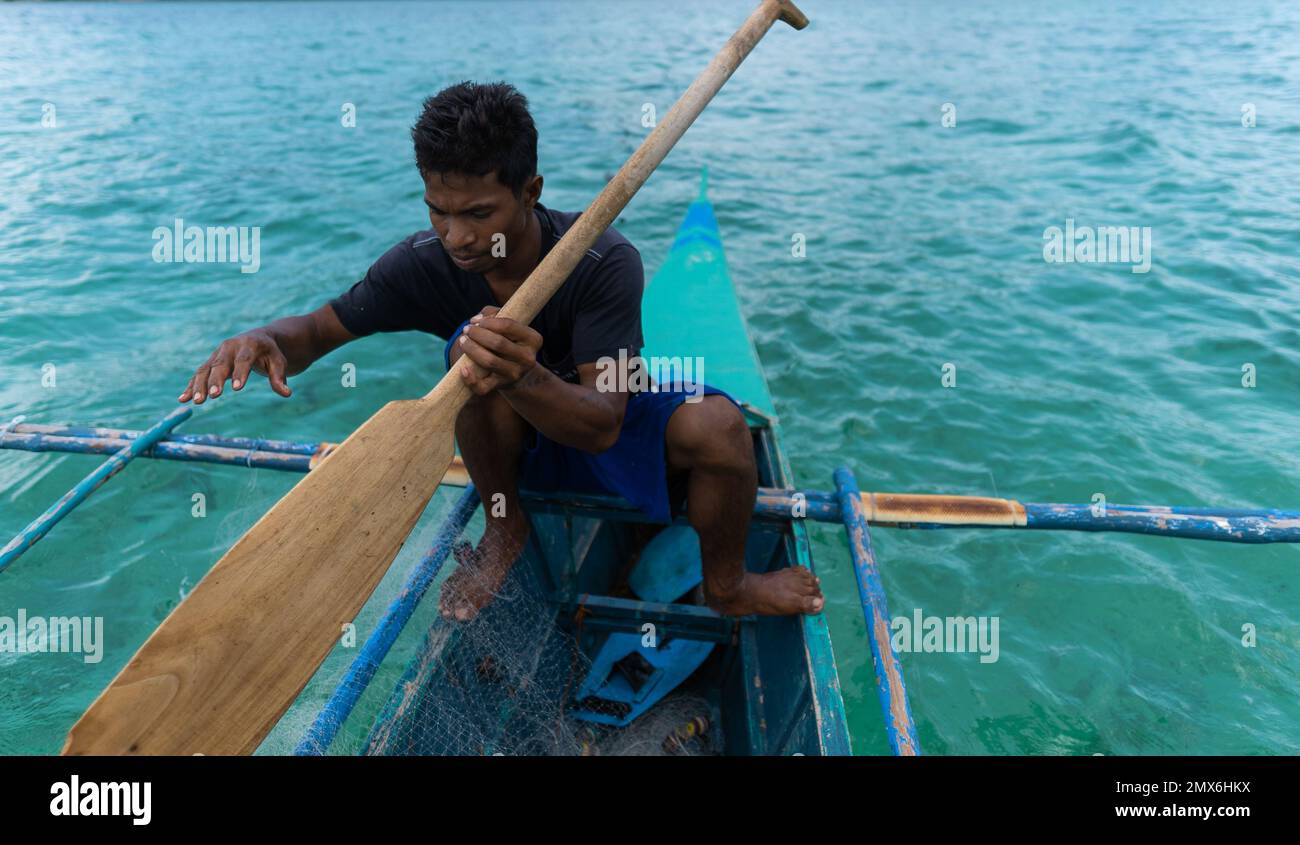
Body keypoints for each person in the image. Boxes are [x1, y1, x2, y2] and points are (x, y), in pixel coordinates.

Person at [178, 81, 824, 622]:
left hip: (603, 412)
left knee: (722, 426)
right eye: (439, 211)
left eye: (480, 213)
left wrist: (526, 375)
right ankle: (504, 528)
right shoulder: (420, 265)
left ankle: (729, 585)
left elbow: (603, 422)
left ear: (531, 191)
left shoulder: (604, 258)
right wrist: (265, 338)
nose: (457, 236)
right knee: (471, 362)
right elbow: (317, 334)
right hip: (514, 451)